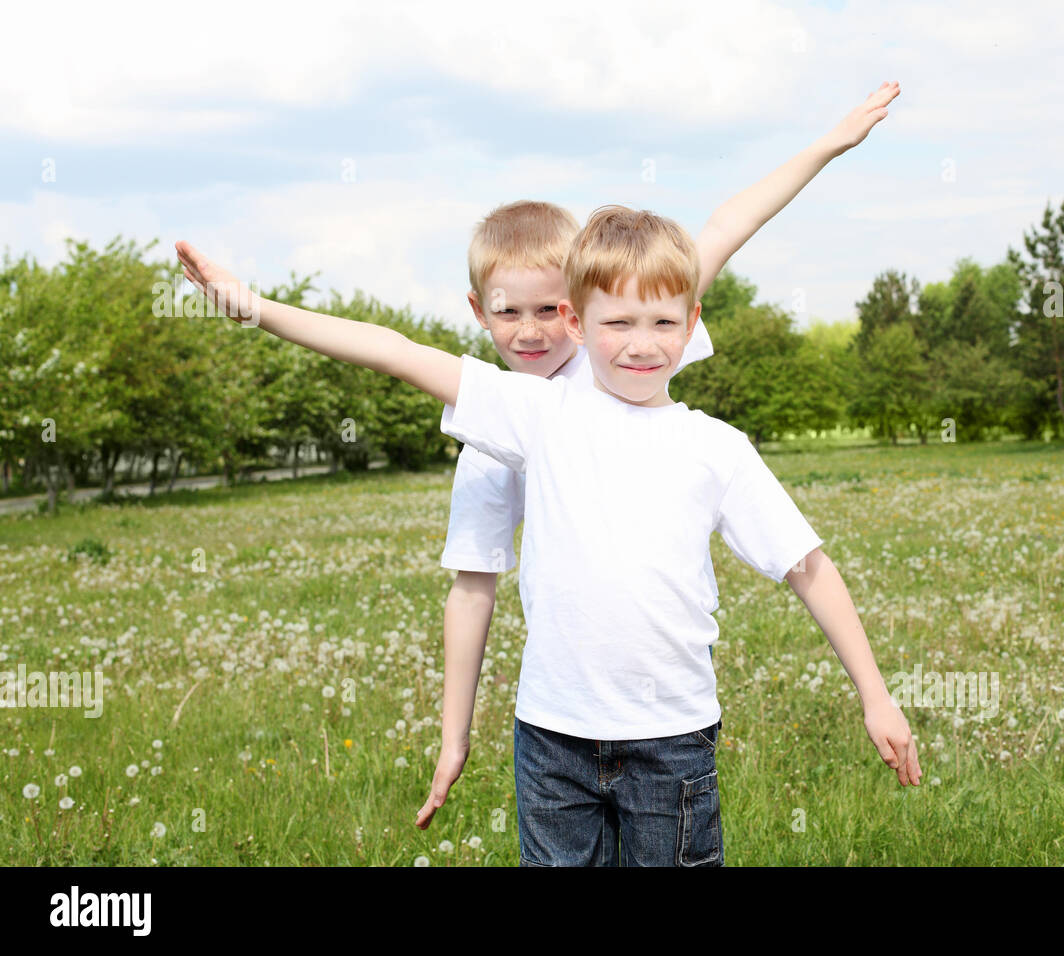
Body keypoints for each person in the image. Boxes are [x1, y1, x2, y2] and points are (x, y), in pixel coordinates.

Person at [175, 205, 921, 871]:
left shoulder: (718, 448)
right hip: (552, 742)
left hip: (673, 741)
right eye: (617, 324)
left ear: (691, 326)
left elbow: (809, 567)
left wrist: (876, 696)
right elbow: (393, 350)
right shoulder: (536, 414)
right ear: (577, 322)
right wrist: (255, 307)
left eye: (662, 324)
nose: (640, 343)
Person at [420, 81, 903, 835]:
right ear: (478, 312)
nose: (532, 332)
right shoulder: (500, 429)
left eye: (550, 309)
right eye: (508, 312)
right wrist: (455, 735)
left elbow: (726, 224)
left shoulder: (623, 345)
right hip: (560, 727)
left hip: (667, 723)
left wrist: (826, 145)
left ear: (578, 308)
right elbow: (471, 590)